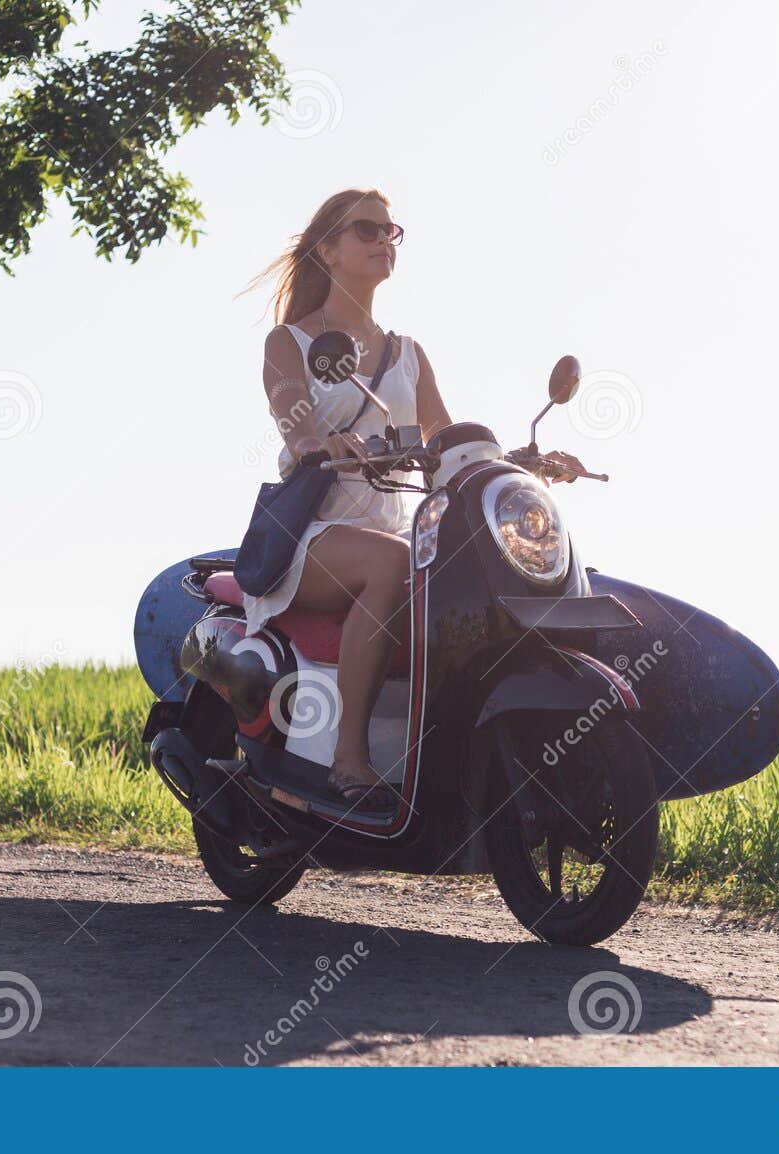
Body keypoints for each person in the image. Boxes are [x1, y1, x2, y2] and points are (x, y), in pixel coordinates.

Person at [244, 188, 582, 810]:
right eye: (367, 230)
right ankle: (348, 757)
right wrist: (324, 440)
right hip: (315, 533)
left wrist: (528, 464)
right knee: (391, 563)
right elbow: (294, 415)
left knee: (487, 566)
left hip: (398, 528)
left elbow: (448, 447)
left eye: (390, 232)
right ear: (327, 250)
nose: (382, 241)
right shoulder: (289, 343)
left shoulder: (408, 354)